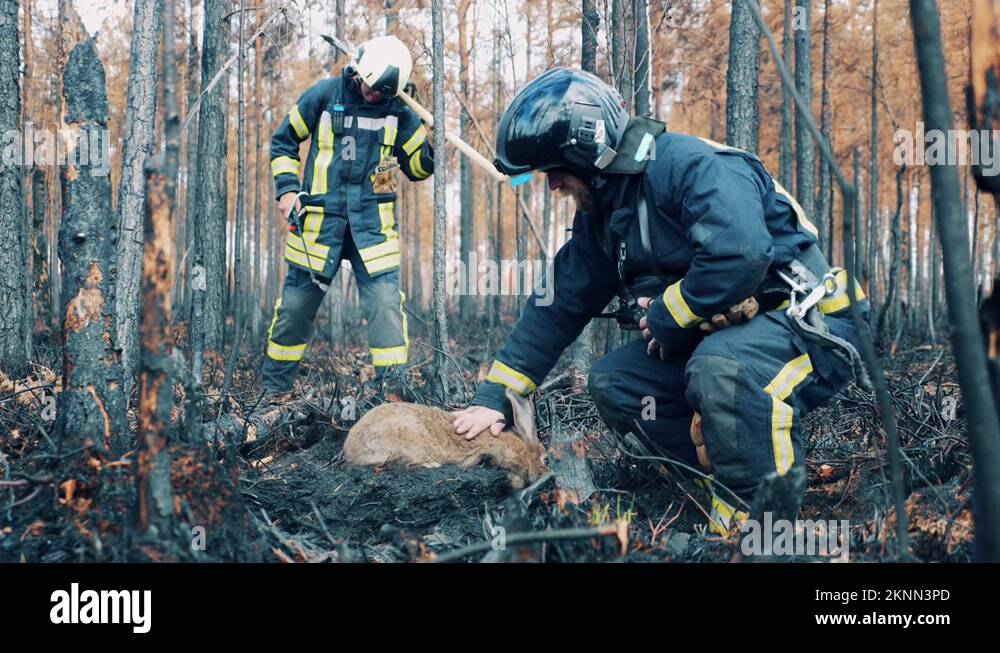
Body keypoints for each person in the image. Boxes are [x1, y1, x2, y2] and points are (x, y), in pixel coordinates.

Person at [451, 68, 869, 532]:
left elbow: (742, 254)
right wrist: (496, 396)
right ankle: (713, 484)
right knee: (616, 382)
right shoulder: (606, 218)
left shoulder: (688, 165)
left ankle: (763, 527)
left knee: (724, 367)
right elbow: (556, 308)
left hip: (812, 326)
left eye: (555, 172)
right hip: (733, 339)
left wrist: (670, 314)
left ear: (587, 152)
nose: (552, 187)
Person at [262, 35, 434, 398]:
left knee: (386, 308)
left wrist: (435, 140)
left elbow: (418, 169)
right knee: (294, 308)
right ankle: (272, 392)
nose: (375, 97)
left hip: (372, 229)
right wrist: (287, 189)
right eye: (371, 89)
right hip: (321, 224)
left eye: (383, 94)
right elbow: (283, 140)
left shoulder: (400, 113)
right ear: (359, 72)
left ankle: (392, 394)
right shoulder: (324, 96)